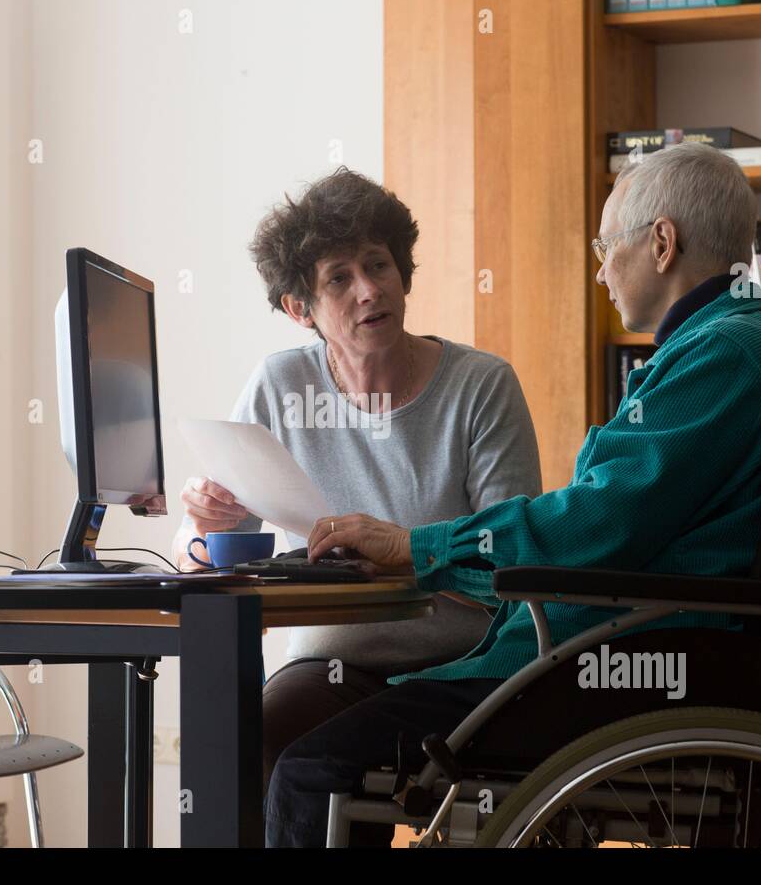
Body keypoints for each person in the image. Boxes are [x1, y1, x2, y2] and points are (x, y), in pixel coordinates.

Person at [265, 141, 761, 847]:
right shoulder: (740, 348)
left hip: (614, 665)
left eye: (606, 247)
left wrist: (416, 546)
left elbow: (596, 525)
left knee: (312, 764)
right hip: (647, 653)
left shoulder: (724, 357)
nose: (601, 270)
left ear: (662, 243)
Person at [170, 167, 542, 792]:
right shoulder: (279, 386)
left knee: (321, 764)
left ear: (404, 274)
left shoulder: (481, 386)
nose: (369, 290)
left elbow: (515, 563)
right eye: (339, 278)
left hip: (464, 664)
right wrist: (202, 529)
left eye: (379, 265)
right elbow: (195, 555)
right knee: (248, 740)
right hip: (331, 663)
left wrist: (407, 553)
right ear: (300, 309)